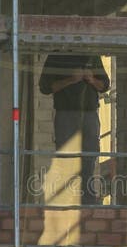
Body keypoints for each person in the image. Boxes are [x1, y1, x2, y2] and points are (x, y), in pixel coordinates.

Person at [39, 53, 110, 204]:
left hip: (89, 114)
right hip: (66, 114)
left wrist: (91, 79)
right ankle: (66, 198)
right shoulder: (57, 56)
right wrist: (71, 80)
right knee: (66, 156)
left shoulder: (92, 56)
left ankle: (87, 199)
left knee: (89, 157)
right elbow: (45, 87)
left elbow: (105, 85)